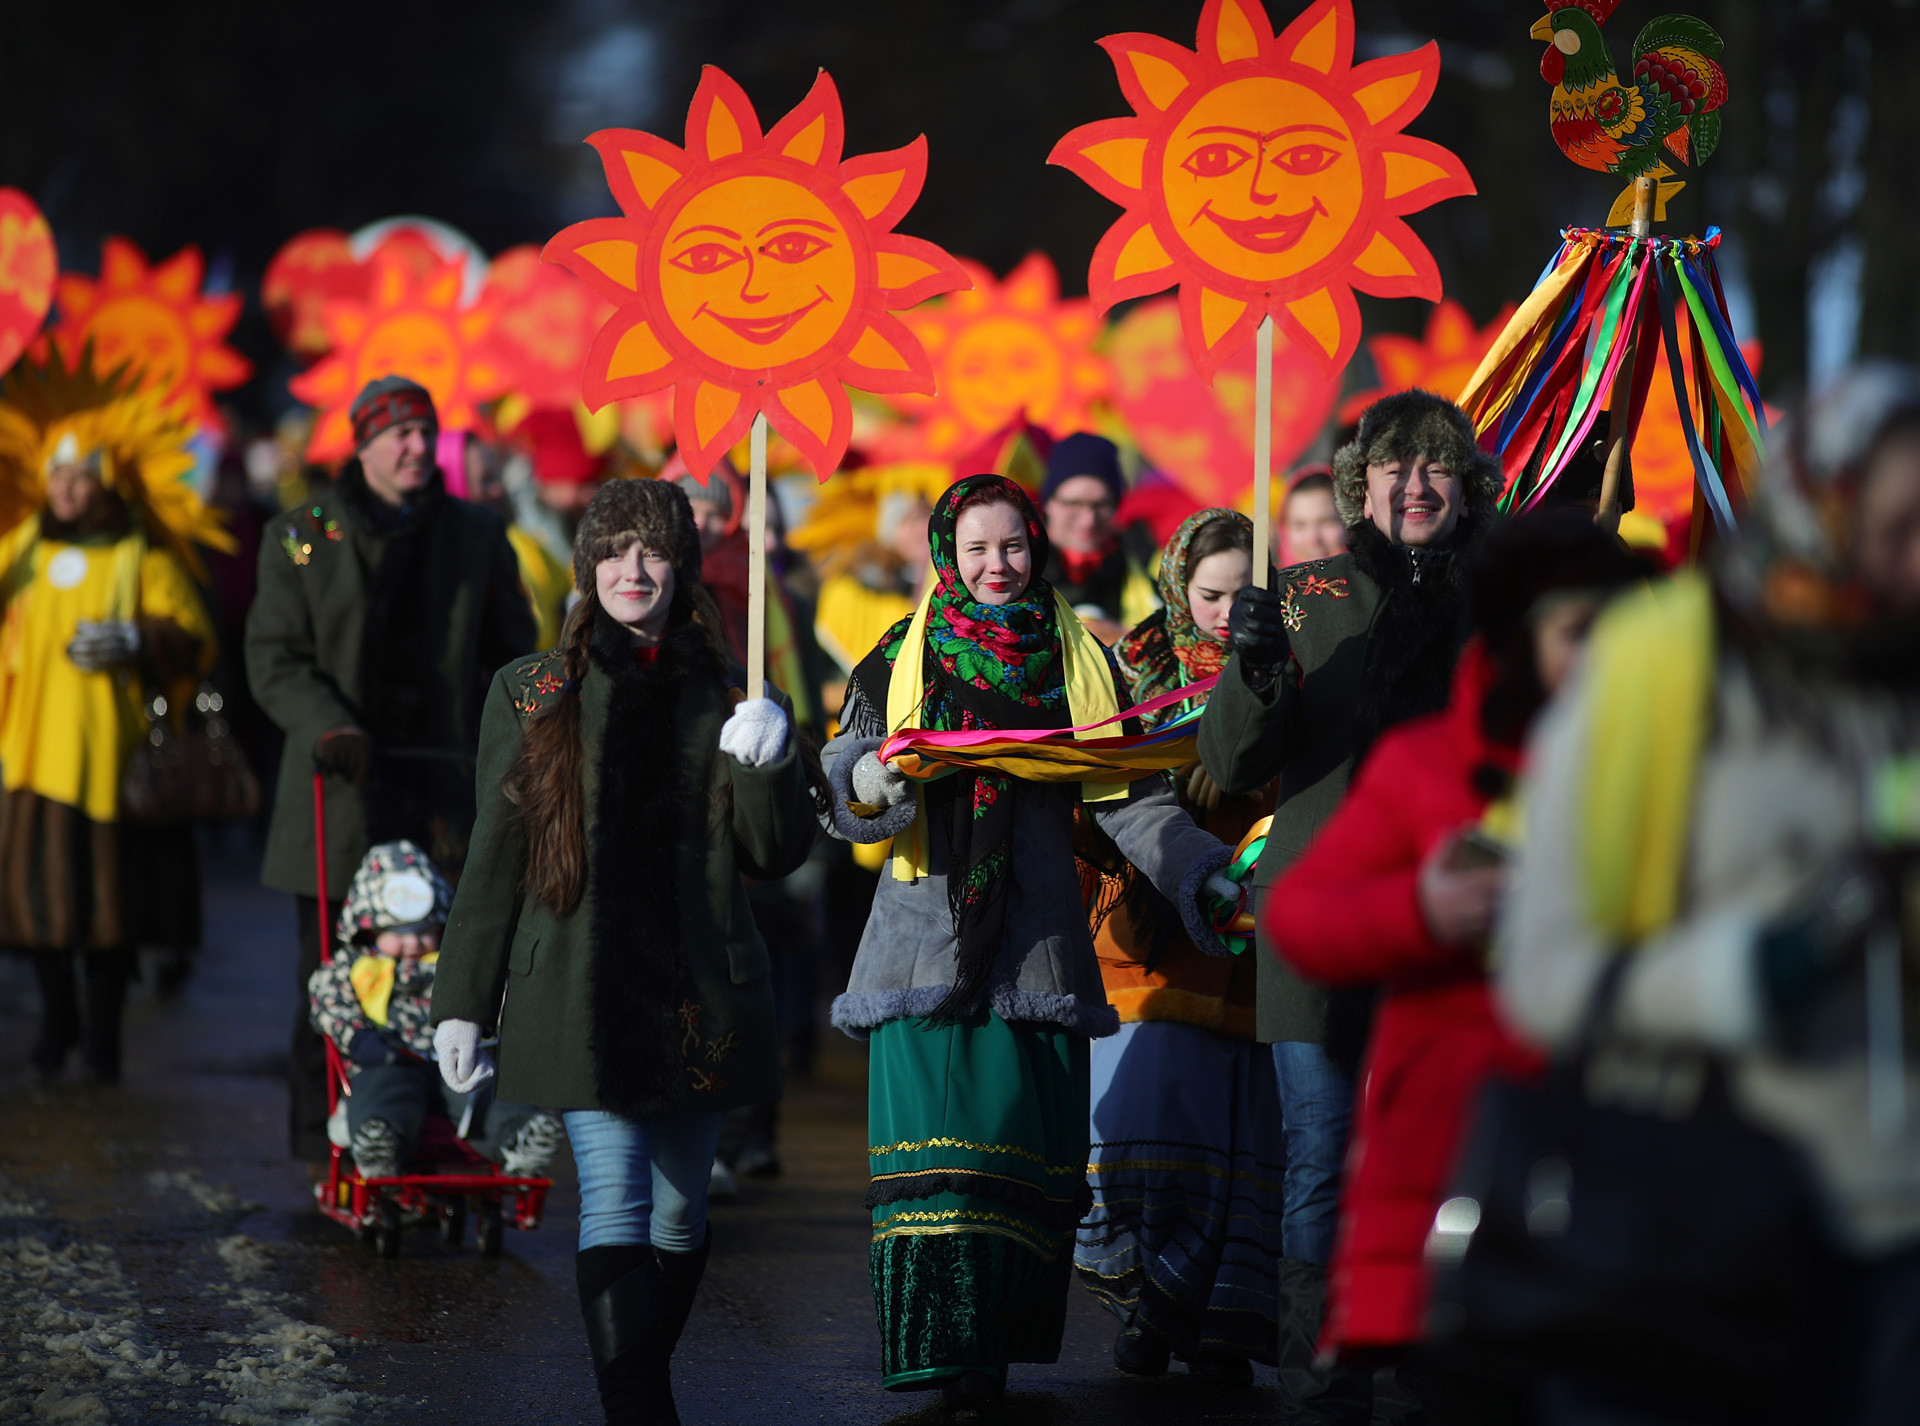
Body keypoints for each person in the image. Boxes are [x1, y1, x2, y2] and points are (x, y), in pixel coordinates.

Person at [1496, 364, 1920, 1424]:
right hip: (1696, 1228)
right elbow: (1542, 972)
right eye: (1903, 523)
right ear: (1824, 503)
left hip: (1899, 1237)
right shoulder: (1659, 664)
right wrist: (1758, 968)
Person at [822, 473, 1236, 1408]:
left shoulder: (1081, 662)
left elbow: (1129, 793)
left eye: (1011, 546)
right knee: (941, 1177)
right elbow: (846, 768)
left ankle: (993, 1360)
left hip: (1037, 955)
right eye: (976, 549)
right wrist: (867, 787)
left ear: (1035, 547)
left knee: (1014, 1176)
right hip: (923, 955)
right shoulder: (901, 654)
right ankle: (944, 1361)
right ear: (946, 553)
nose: (995, 566)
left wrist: (1201, 867)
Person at [428, 478, 819, 1425]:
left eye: (651, 552)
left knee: (682, 1218)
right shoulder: (531, 690)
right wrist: (461, 1001)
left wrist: (769, 764)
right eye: (612, 551)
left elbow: (775, 855)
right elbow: (495, 855)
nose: (631, 570)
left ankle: (640, 1377)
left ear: (680, 567)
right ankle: (640, 1409)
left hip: (699, 1000)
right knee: (612, 1206)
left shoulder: (734, 694)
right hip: (579, 992)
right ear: (585, 567)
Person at [1267, 512, 1646, 1417]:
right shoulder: (1428, 761)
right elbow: (1302, 917)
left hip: (1612, 1151)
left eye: (1619, 633)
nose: (1598, 658)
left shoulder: (1676, 767)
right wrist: (1419, 910)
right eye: (1573, 633)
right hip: (1453, 1160)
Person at [1196, 388, 1504, 1420]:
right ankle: (1318, 1382)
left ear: (1463, 485)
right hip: (1321, 921)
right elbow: (1234, 758)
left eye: (1435, 468)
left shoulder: (1497, 596)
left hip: (1458, 921)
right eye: (1394, 469)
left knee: (1444, 1156)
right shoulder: (1303, 592)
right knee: (1321, 1162)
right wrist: (1249, 667)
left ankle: (1426, 1375)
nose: (1415, 487)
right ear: (1360, 483)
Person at [247, 375, 537, 1163]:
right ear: (363, 444)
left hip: (444, 787)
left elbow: (518, 656)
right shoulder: (301, 532)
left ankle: (443, 1128)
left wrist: (531, 730)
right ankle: (320, 1141)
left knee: (451, 968)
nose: (415, 447)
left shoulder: (476, 534)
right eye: (398, 434)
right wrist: (327, 724)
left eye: (425, 431)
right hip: (338, 787)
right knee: (336, 973)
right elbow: (273, 658)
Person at [1075, 508, 1287, 1384]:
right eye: (1210, 594)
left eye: (1244, 592)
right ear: (1176, 587)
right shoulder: (1133, 670)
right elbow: (1103, 789)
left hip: (1250, 940)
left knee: (1239, 1135)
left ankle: (1215, 1322)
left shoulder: (1286, 668)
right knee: (1143, 1127)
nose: (1224, 610)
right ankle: (1148, 1306)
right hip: (1152, 937)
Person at [0, 355, 222, 1084]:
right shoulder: (23, 549)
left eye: (80, 473)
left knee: (108, 917)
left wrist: (139, 640)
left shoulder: (139, 551)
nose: (65, 487)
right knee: (33, 912)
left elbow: (193, 633)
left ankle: (99, 1038)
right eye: (56, 473)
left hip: (110, 764)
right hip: (29, 758)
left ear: (104, 480)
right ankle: (55, 1024)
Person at [307, 840, 564, 1178]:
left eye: (425, 931)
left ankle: (519, 1134)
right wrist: (358, 1039)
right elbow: (327, 998)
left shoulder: (454, 963)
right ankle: (380, 1139)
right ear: (369, 930)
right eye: (398, 933)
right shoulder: (353, 967)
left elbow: (493, 994)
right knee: (381, 1093)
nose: (413, 944)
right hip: (390, 1059)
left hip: (457, 1061)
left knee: (487, 1092)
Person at [1041, 433, 1158, 642]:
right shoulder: (1018, 566)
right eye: (1073, 504)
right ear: (1048, 503)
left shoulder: (1145, 560)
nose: (1089, 520)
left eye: (1101, 505)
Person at [1280, 467, 1347, 566]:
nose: (1313, 539)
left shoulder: (1372, 579)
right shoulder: (1266, 581)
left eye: (1326, 522)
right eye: (1299, 525)